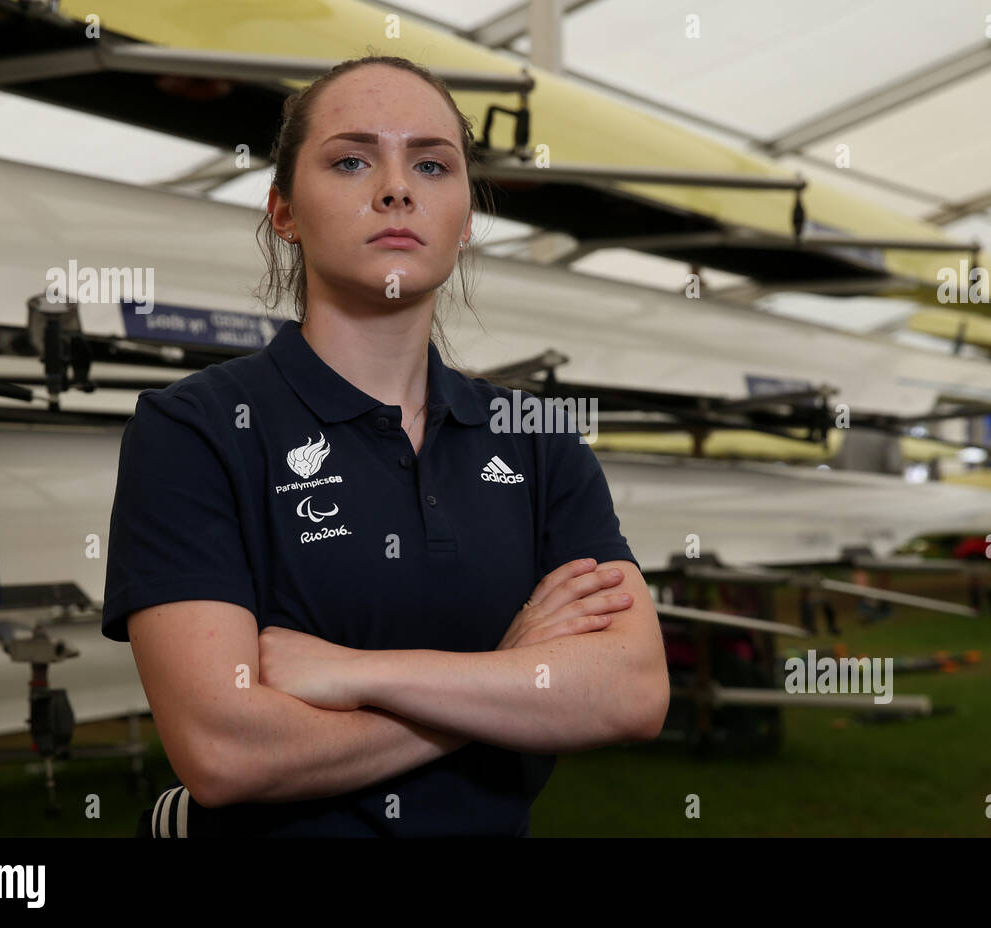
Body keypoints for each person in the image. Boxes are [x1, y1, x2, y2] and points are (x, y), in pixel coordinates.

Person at [101, 55, 670, 837]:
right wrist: (509, 680)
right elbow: (225, 751)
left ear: (466, 220)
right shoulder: (195, 429)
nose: (397, 187)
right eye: (351, 160)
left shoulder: (538, 440)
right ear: (285, 211)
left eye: (432, 164)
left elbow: (632, 692)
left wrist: (354, 674)